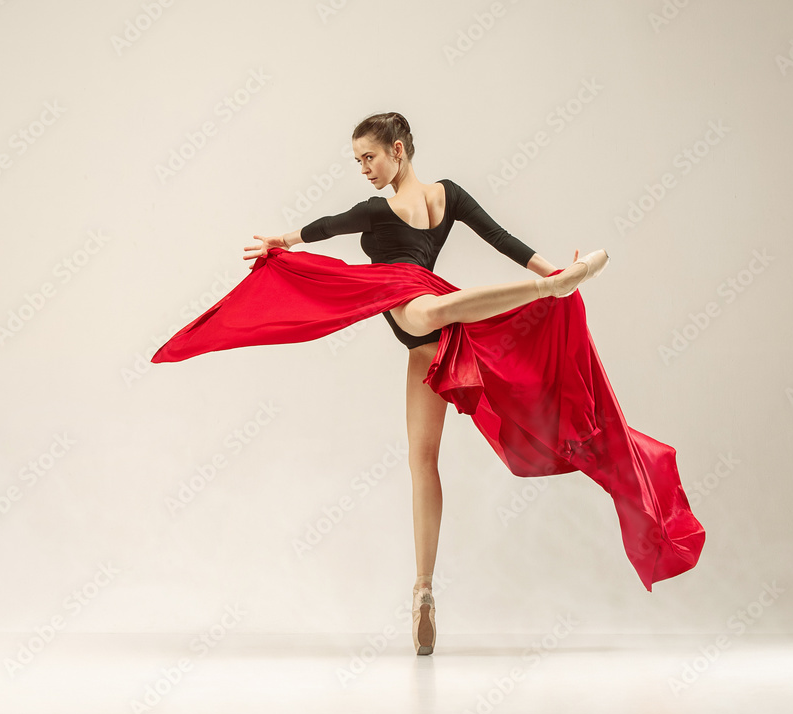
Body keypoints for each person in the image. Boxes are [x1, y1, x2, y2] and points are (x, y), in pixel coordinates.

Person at [240, 112, 609, 655]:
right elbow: (330, 225)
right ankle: (423, 589)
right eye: (357, 161)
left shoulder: (382, 210)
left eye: (369, 157)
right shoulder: (442, 196)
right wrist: (287, 241)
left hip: (424, 315)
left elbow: (495, 237)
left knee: (427, 311)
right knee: (422, 462)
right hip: (433, 352)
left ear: (398, 149)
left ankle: (547, 290)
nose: (364, 169)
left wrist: (552, 277)